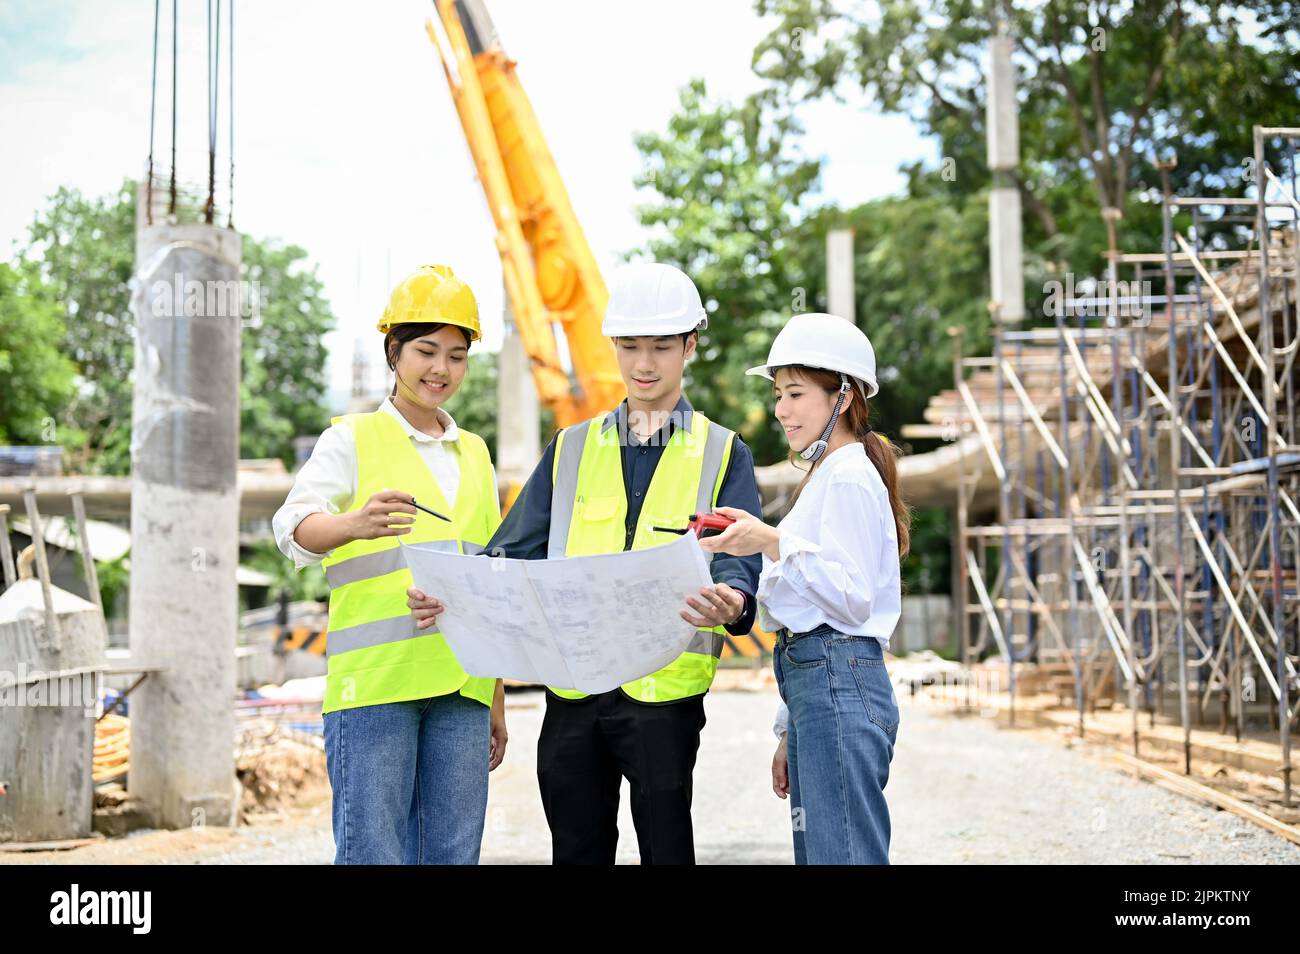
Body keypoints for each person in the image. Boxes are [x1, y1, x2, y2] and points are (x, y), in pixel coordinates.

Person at [407, 262, 763, 865]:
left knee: (667, 851)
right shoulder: (570, 448)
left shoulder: (723, 452)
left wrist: (734, 600)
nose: (643, 365)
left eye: (660, 348)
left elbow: (736, 557)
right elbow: (508, 553)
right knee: (575, 850)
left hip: (664, 693)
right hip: (572, 690)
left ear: (690, 347)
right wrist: (456, 593)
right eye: (629, 347)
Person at [272, 264, 507, 865]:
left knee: (453, 854)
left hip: (463, 686)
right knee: (375, 852)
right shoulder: (351, 439)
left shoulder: (477, 454)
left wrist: (497, 698)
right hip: (377, 687)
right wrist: (351, 525)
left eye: (457, 356)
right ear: (394, 351)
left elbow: (489, 576)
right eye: (426, 351)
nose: (441, 370)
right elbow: (291, 528)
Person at [690, 312, 909, 865]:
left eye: (795, 393)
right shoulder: (828, 476)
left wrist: (770, 540)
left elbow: (851, 596)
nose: (780, 409)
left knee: (843, 856)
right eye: (778, 395)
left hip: (839, 679)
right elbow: (808, 606)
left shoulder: (852, 475)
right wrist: (790, 729)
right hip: (819, 685)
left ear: (844, 396)